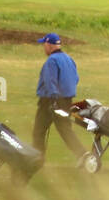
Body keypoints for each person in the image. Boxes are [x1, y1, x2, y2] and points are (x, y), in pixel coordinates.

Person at [31, 33, 88, 166]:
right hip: (66, 100)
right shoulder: (69, 59)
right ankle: (83, 155)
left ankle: (36, 160)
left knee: (39, 131)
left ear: (49, 45)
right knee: (65, 129)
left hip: (50, 101)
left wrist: (54, 99)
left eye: (44, 45)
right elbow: (76, 79)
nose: (43, 48)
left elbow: (50, 81)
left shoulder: (51, 61)